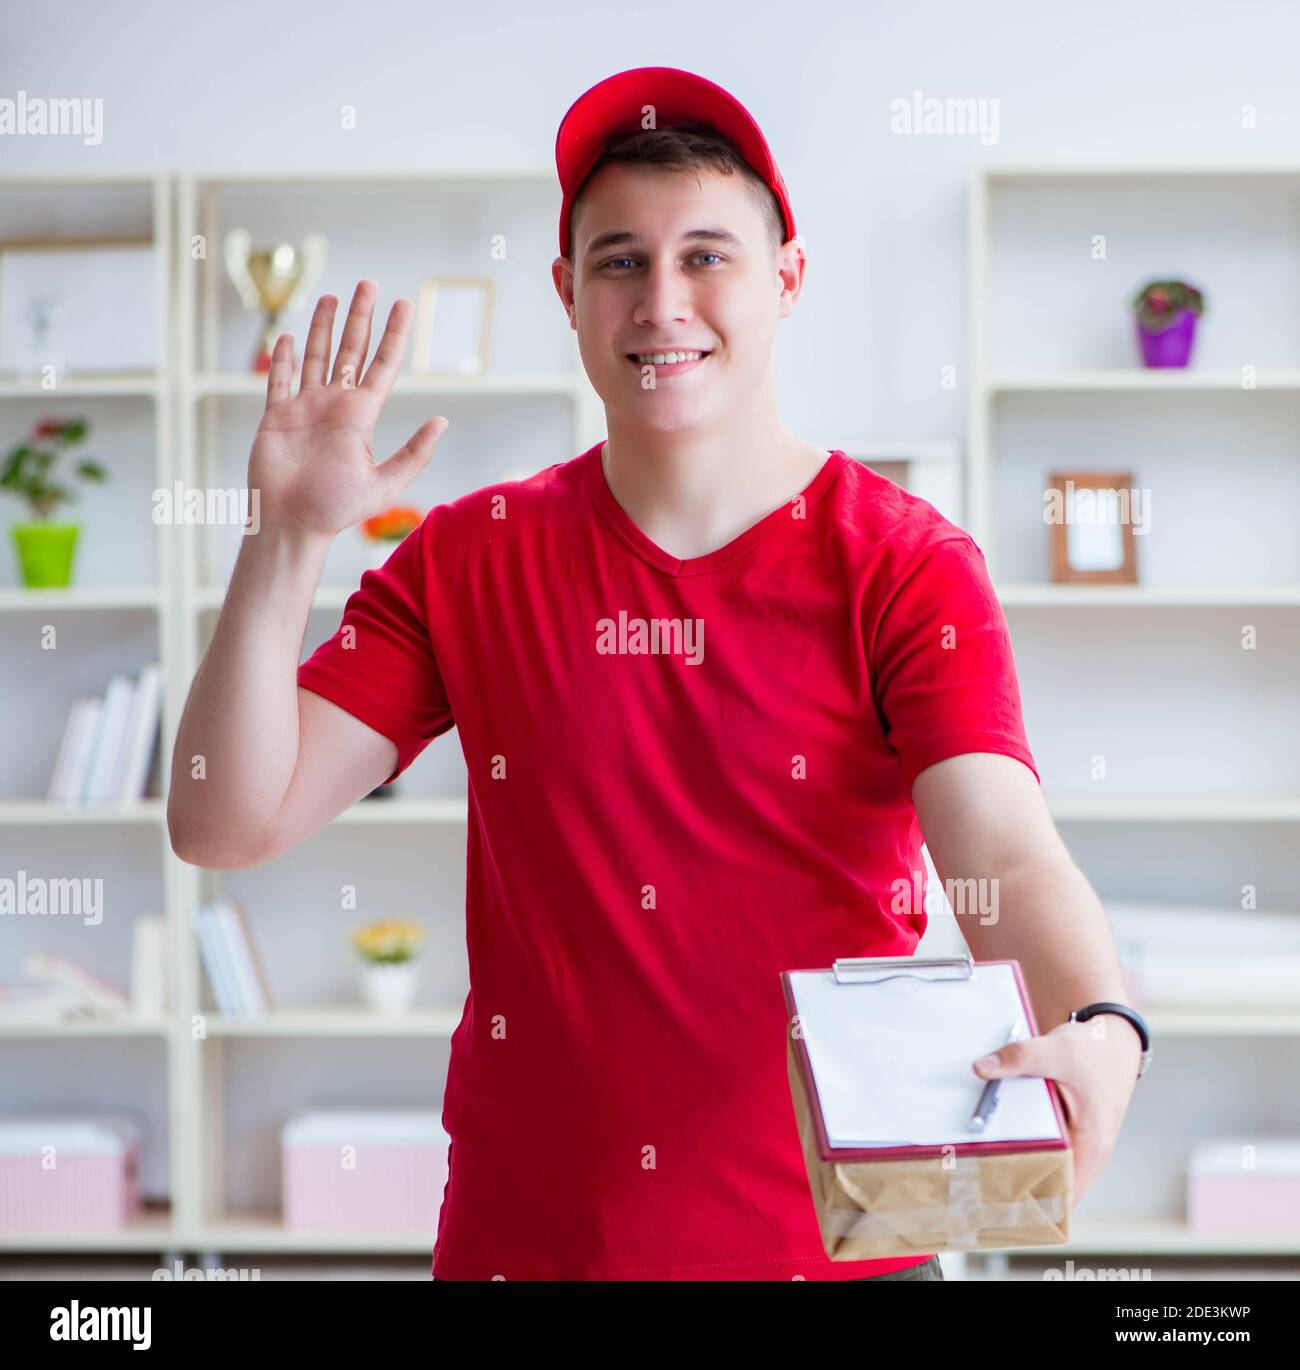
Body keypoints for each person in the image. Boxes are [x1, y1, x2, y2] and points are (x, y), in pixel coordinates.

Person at [168, 66, 1148, 1282]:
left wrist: (1103, 1018)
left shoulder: (905, 565)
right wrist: (283, 541)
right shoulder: (467, 558)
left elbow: (998, 850)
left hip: (835, 1250)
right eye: (619, 260)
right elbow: (226, 820)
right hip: (526, 1251)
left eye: (706, 256)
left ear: (786, 278)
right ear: (567, 293)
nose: (660, 300)